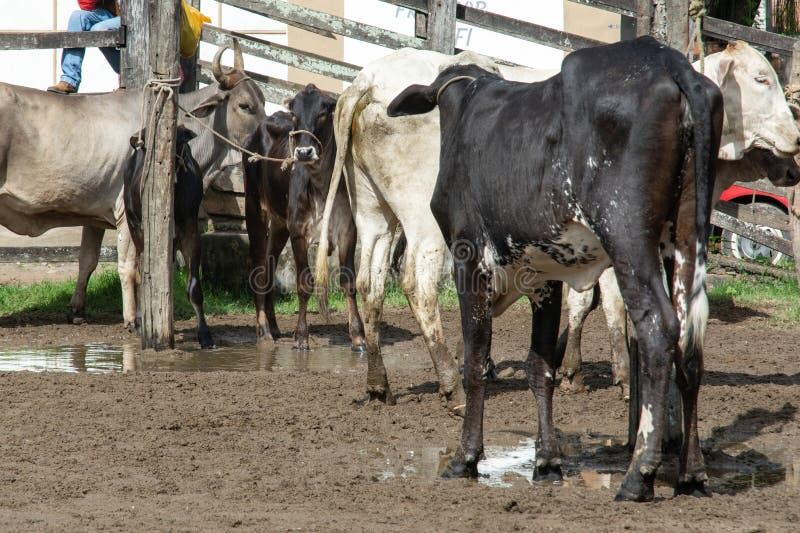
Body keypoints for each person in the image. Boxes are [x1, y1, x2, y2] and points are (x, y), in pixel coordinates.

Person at [47, 1, 120, 94]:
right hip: (112, 13)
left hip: (136, 15)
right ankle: (70, 80)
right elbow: (86, 5)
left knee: (99, 29)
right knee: (77, 17)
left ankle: (127, 72)